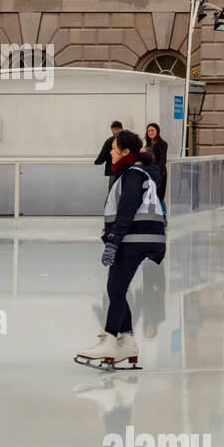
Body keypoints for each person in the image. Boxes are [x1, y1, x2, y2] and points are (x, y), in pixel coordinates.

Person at [74, 129, 165, 369]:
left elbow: (126, 209)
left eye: (114, 149)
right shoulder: (136, 173)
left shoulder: (133, 175)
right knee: (117, 288)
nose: (110, 153)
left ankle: (110, 339)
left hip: (134, 238)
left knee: (115, 289)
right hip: (139, 237)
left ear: (126, 152)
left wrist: (114, 241)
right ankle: (127, 342)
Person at [143, 122, 168, 205]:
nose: (150, 132)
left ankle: (162, 215)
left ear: (157, 131)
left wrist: (159, 173)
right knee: (151, 195)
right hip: (149, 172)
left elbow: (163, 160)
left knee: (159, 196)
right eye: (149, 131)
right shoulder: (148, 144)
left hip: (159, 172)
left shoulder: (162, 143)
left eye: (152, 130)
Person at [93, 121, 124, 191]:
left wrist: (97, 162)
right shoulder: (129, 138)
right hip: (127, 171)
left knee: (112, 195)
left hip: (114, 171)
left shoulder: (110, 141)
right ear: (121, 128)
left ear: (113, 129)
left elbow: (103, 155)